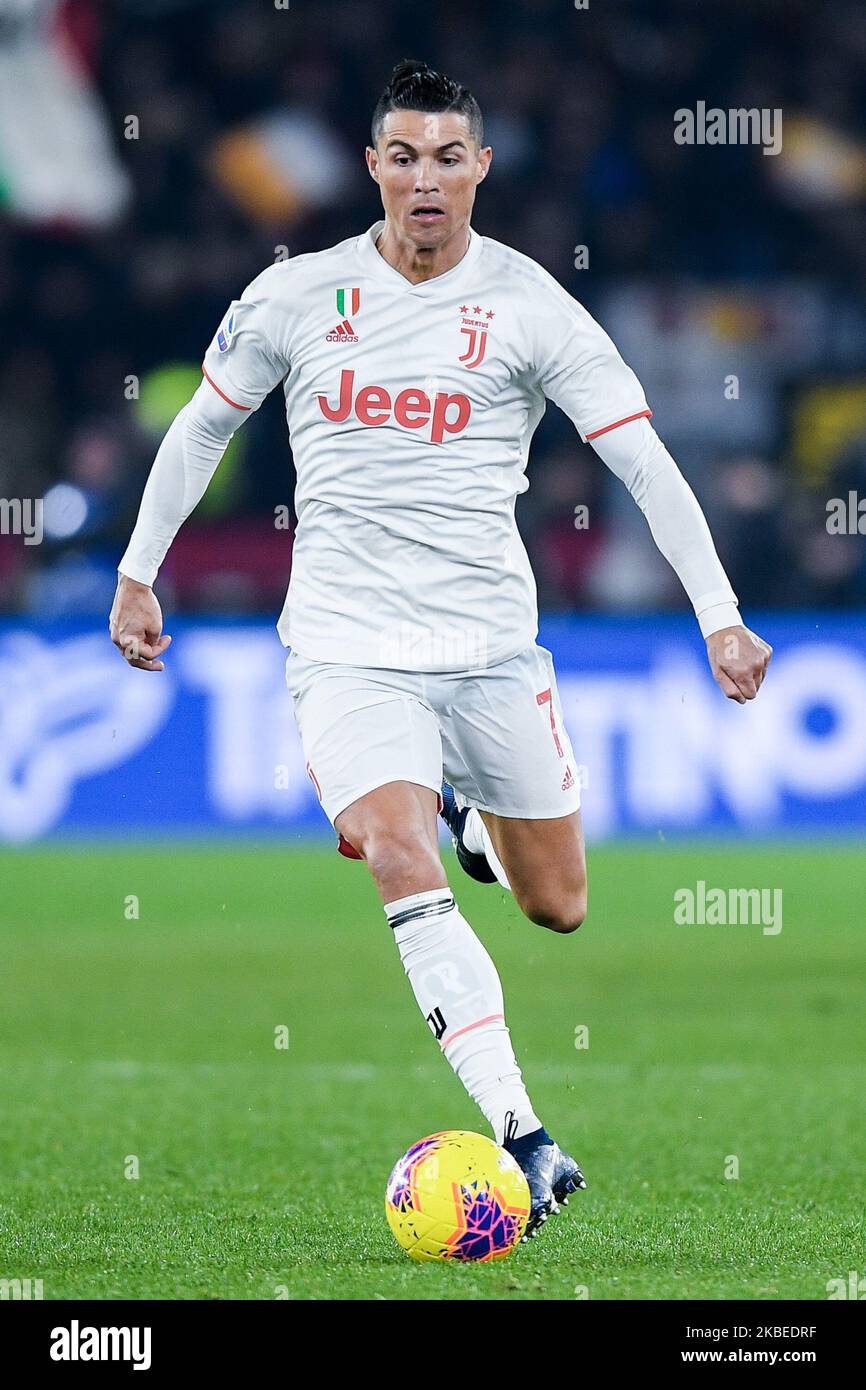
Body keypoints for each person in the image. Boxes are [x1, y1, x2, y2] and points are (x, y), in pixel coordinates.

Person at [110, 59, 772, 1238]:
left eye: (447, 156)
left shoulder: (529, 307)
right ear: (373, 168)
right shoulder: (297, 297)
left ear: (479, 168)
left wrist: (716, 612)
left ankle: (472, 818)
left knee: (556, 905)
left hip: (487, 652)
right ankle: (523, 1129)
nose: (425, 179)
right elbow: (203, 424)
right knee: (389, 851)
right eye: (403, 156)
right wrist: (136, 570)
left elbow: (640, 462)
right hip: (345, 646)